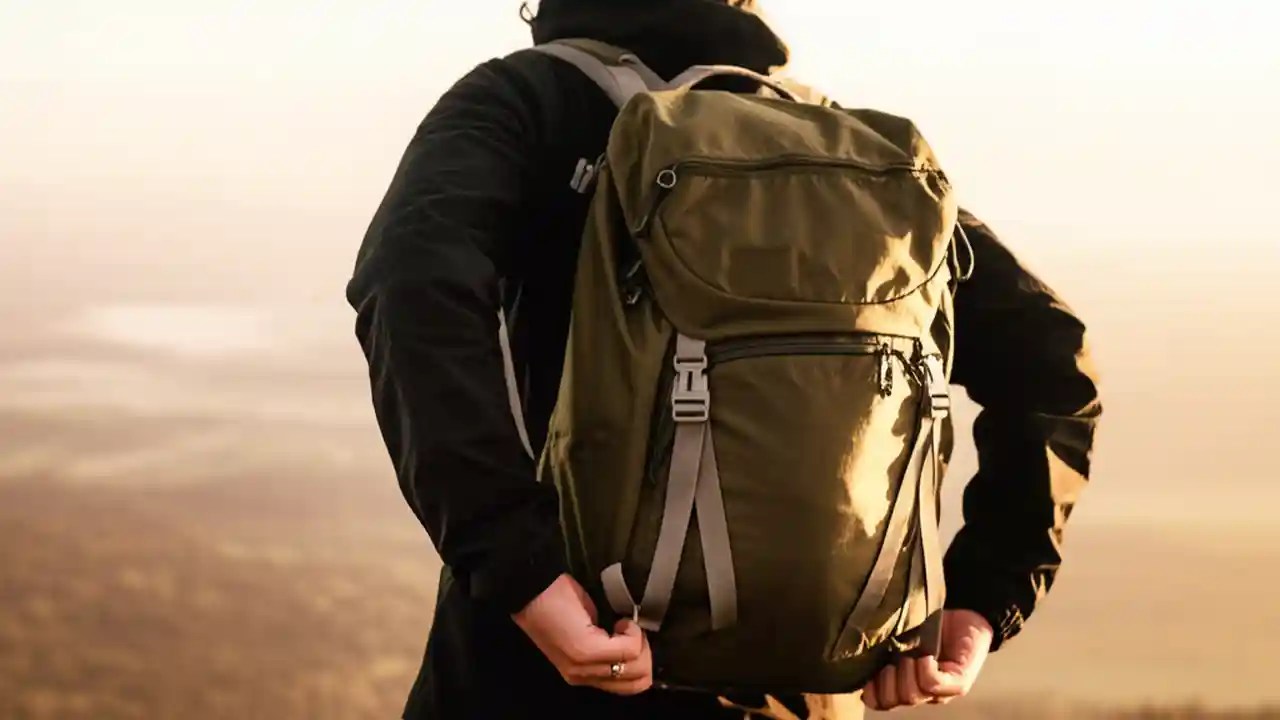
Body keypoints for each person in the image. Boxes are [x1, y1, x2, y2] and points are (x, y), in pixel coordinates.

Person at [345, 1, 1103, 718]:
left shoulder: (524, 104)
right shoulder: (843, 150)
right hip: (805, 689)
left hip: (537, 678)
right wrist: (979, 601)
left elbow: (410, 282)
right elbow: (1048, 352)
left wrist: (521, 571)